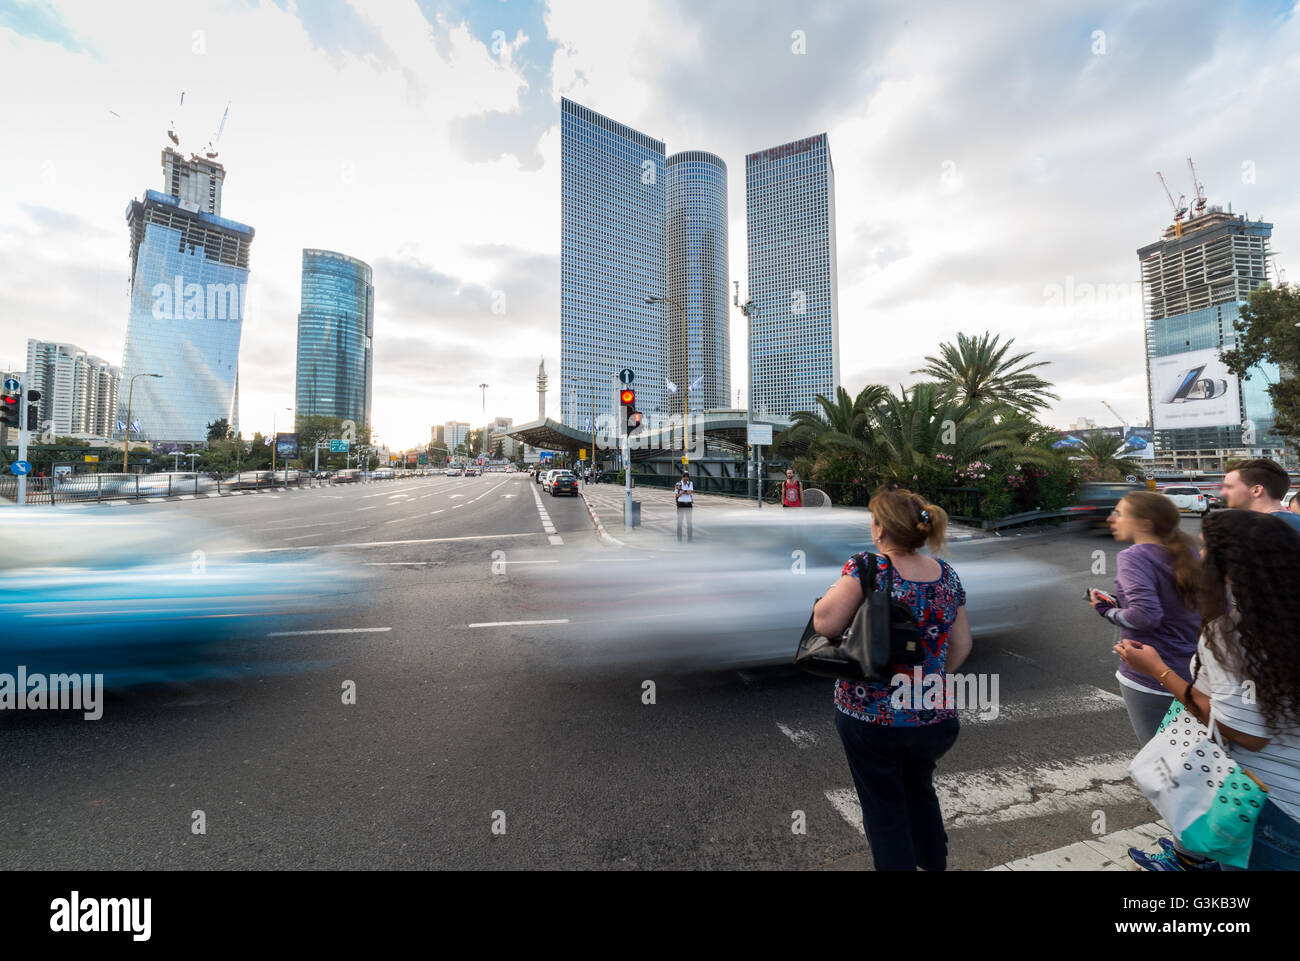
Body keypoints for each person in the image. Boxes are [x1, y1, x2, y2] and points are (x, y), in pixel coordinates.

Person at [1116, 509, 1300, 871]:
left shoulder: (1235, 634)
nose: (1199, 558)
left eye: (1205, 550)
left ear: (1231, 568)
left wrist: (1159, 671)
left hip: (1275, 808)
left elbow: (1244, 734)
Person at [812, 487, 971, 871]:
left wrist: (831, 593)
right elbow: (962, 645)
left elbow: (825, 622)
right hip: (934, 718)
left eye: (873, 520)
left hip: (873, 719)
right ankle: (934, 864)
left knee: (884, 808)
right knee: (920, 792)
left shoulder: (868, 566)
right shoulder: (947, 574)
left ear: (881, 530)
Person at [1086, 491, 1208, 870]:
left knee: (1166, 766)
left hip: (1151, 673)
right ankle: (1197, 848)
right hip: (1191, 668)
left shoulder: (1135, 555)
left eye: (1120, 513)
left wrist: (1107, 610)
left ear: (1144, 522)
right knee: (1191, 761)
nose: (1112, 519)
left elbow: (1145, 616)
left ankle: (1188, 858)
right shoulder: (1188, 552)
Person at [1220, 457, 1300, 533]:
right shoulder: (1296, 521)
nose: (1223, 492)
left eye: (1229, 487)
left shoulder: (1251, 531)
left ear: (1256, 490)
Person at [674, 470, 693, 542]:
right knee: (680, 522)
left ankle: (690, 539)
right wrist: (682, 492)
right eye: (684, 478)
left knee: (689, 522)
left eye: (687, 478)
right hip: (681, 504)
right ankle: (679, 539)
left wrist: (681, 490)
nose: (686, 479)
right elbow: (676, 495)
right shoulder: (678, 484)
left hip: (688, 504)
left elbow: (689, 492)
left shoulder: (690, 483)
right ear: (682, 477)